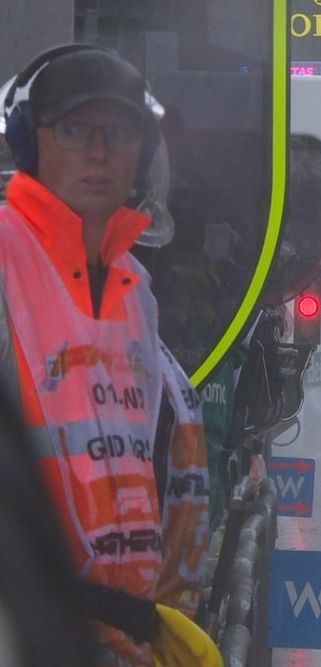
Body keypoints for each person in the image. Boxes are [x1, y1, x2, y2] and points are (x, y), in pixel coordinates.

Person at [0, 44, 217, 666]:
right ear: (29, 144)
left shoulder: (132, 293)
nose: (97, 151)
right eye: (72, 130)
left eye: (117, 133)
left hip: (113, 635)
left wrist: (143, 617)